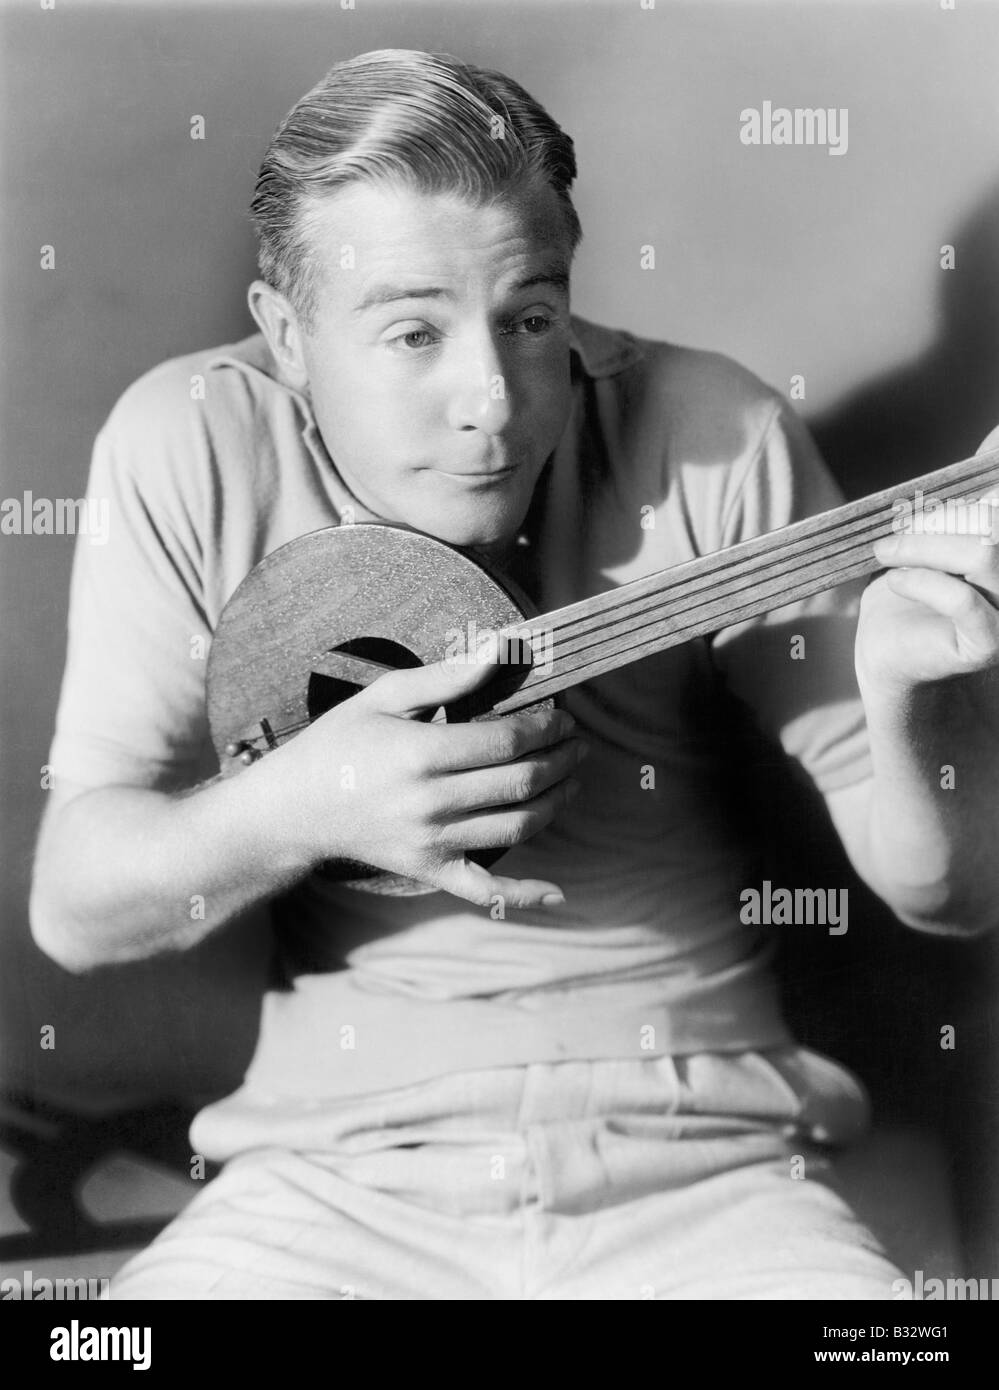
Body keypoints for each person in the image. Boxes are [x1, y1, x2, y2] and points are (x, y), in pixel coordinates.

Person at [30, 48, 999, 1300]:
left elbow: (953, 897)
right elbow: (76, 903)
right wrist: (304, 806)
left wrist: (919, 695)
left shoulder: (715, 434)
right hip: (334, 1180)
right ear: (287, 332)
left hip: (707, 1171)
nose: (490, 395)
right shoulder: (190, 445)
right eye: (414, 331)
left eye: (532, 316)